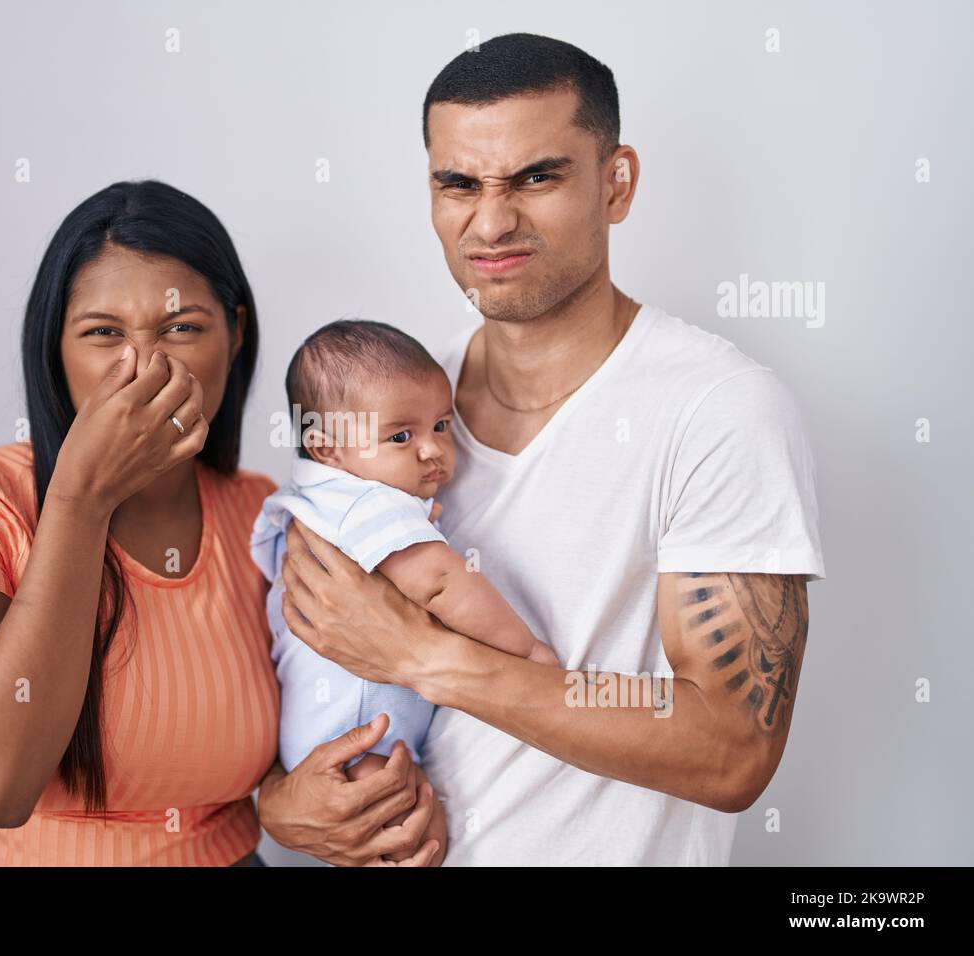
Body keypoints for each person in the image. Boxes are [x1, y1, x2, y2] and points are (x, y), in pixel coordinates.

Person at [257, 33, 825, 866]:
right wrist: (279, 806)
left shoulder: (719, 411)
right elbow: (298, 654)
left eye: (536, 177)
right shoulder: (395, 413)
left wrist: (424, 655)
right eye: (458, 184)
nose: (490, 221)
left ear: (616, 182)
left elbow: (732, 751)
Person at [0, 179, 282, 866]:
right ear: (55, 347)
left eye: (183, 328)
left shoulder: (262, 514)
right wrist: (80, 503)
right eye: (102, 334)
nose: (144, 366)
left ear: (235, 335)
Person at [250, 319, 560, 865]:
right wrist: (529, 654)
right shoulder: (368, 506)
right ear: (328, 450)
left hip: (332, 729)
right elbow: (441, 583)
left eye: (441, 425)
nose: (432, 450)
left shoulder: (306, 499)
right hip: (357, 730)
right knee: (413, 840)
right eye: (400, 436)